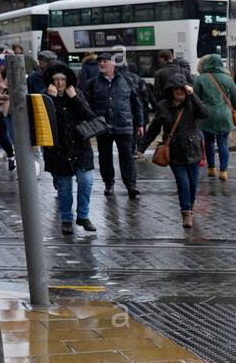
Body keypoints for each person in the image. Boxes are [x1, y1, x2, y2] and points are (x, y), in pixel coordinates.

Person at [138, 73, 207, 229]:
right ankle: (186, 213)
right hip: (174, 151)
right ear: (170, 91)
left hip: (193, 150)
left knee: (193, 184)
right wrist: (141, 147)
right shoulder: (163, 106)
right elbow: (154, 128)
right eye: (175, 89)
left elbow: (205, 113)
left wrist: (193, 95)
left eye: (182, 89)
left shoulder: (192, 103)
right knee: (183, 183)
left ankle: (190, 206)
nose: (179, 92)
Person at [41, 63, 98, 237]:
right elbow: (48, 123)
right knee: (64, 187)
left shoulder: (77, 94)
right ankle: (66, 219)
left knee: (86, 180)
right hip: (59, 150)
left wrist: (74, 98)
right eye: (56, 80)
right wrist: (54, 100)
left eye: (63, 79)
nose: (59, 83)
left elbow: (89, 116)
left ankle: (83, 215)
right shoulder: (45, 97)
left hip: (80, 146)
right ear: (51, 81)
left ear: (68, 80)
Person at [83, 53, 143, 198]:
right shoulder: (92, 83)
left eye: (105, 61)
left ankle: (131, 186)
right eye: (100, 62)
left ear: (113, 63)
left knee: (127, 157)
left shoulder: (127, 80)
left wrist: (140, 123)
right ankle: (109, 184)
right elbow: (86, 105)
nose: (102, 64)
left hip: (124, 125)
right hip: (103, 126)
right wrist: (91, 121)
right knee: (105, 157)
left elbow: (136, 103)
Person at [194, 53, 236, 181]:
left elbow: (195, 98)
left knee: (209, 142)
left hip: (207, 115)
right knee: (223, 143)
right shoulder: (227, 79)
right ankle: (224, 171)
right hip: (225, 115)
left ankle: (211, 169)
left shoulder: (200, 79)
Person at [0, 56, 14, 176]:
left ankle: (11, 155)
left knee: (5, 135)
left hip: (9, 109)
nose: (1, 67)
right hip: (0, 108)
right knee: (3, 135)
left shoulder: (14, 73)